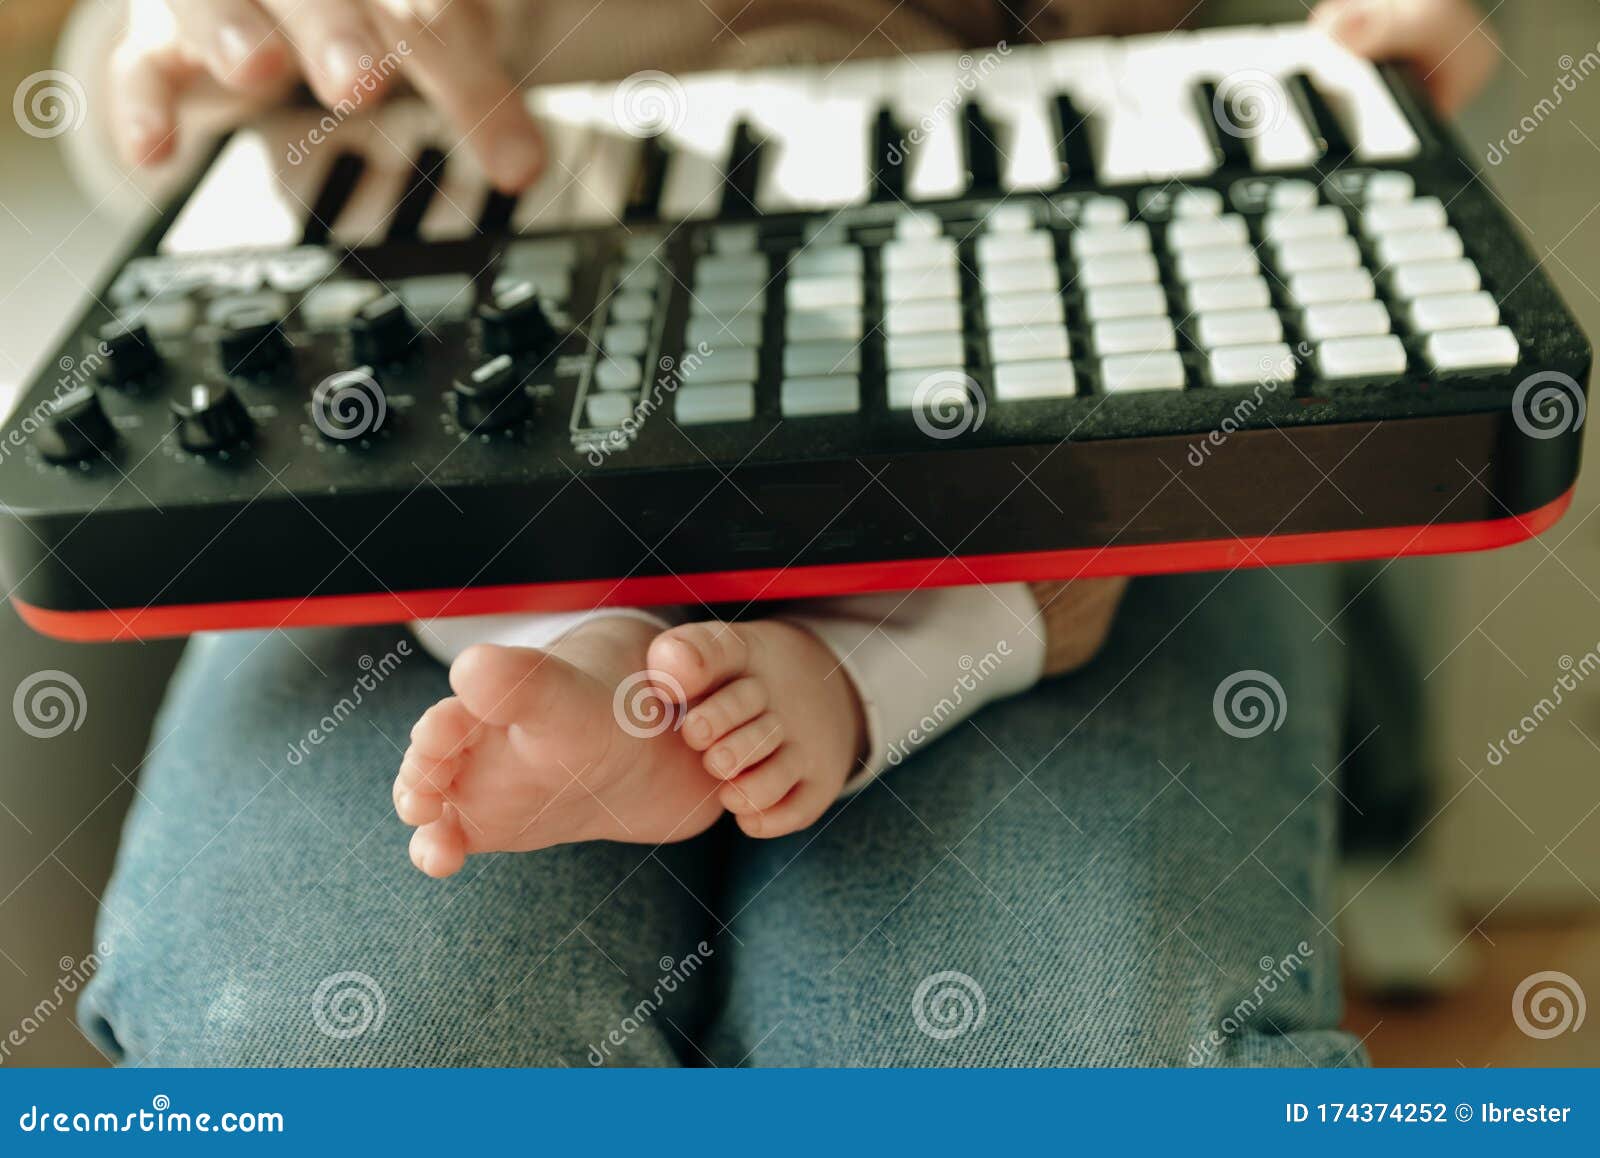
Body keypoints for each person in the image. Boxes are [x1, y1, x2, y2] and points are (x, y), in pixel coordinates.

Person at [75, 0, 1496, 1065]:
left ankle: (803, 692)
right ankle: (620, 674)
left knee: (1023, 1029)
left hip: (1014, 321)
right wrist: (188, 47)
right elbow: (141, 107)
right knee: (343, 1034)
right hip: (519, 322)